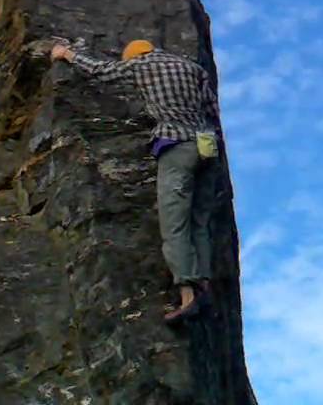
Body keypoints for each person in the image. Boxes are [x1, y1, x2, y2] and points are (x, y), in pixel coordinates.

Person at [50, 38, 221, 324]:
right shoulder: (191, 67)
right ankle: (206, 286)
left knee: (174, 221)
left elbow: (102, 71)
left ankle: (188, 296)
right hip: (207, 147)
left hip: (177, 147)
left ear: (134, 55)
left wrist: (67, 54)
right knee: (199, 221)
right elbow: (213, 111)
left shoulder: (142, 64)